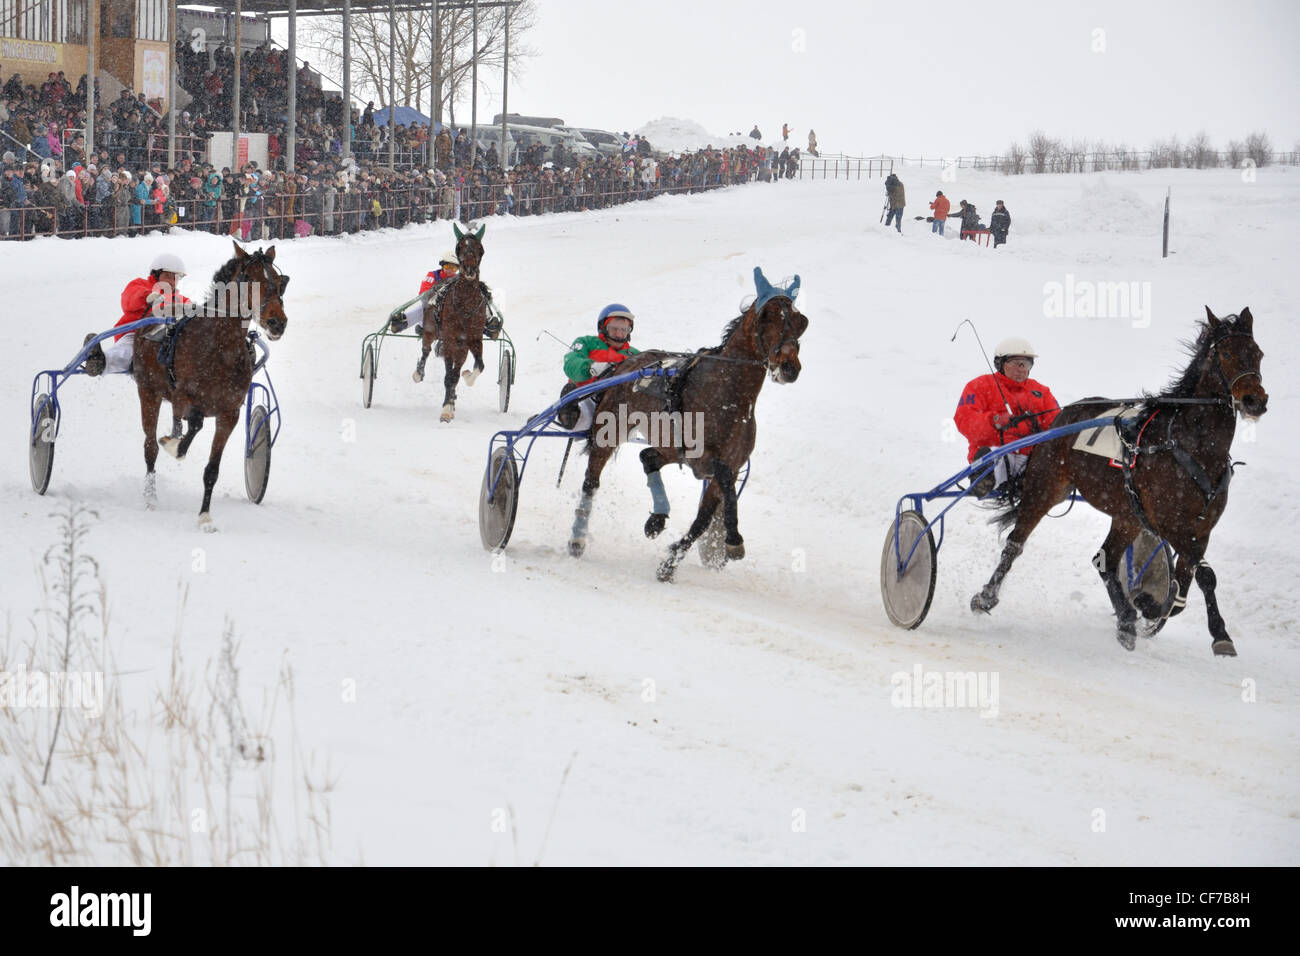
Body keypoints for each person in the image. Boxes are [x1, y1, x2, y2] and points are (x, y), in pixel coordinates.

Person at [954, 337, 1059, 496]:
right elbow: (964, 419)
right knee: (995, 457)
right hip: (997, 454)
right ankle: (984, 479)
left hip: (1032, 459)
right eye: (1016, 363)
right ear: (1000, 364)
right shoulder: (980, 386)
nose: (1022, 369)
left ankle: (1035, 480)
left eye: (1026, 364)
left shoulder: (1041, 392)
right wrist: (994, 421)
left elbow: (1057, 424)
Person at [82, 253, 191, 376]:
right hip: (136, 333)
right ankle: (100, 362)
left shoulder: (179, 299)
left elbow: (191, 311)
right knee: (128, 350)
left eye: (175, 278)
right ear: (156, 274)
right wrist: (146, 296)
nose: (172, 281)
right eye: (167, 276)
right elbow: (128, 298)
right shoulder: (141, 285)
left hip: (165, 340)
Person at [556, 304, 640, 431]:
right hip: (588, 396)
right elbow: (571, 363)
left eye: (624, 330)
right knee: (586, 411)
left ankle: (661, 446)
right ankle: (571, 415)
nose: (619, 334)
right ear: (603, 327)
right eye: (614, 329)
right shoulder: (586, 342)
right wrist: (591, 367)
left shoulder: (635, 355)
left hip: (621, 405)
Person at [389, 251, 459, 334]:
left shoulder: (458, 280)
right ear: (442, 266)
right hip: (432, 313)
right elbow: (424, 295)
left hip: (450, 315)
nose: (450, 271)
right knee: (426, 308)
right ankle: (403, 322)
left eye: (454, 268)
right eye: (447, 267)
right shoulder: (433, 276)